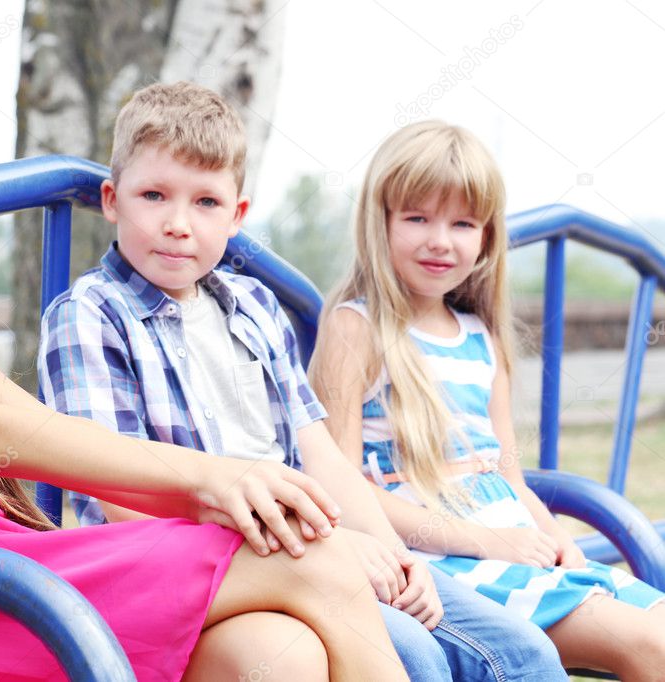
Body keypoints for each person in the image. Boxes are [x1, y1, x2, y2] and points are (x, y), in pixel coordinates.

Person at [0, 66, 408, 682]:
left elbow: (43, 428)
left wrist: (209, 496)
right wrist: (213, 475)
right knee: (316, 560)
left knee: (270, 652)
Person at [38, 82, 568, 681]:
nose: (178, 224)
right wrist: (329, 546)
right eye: (154, 195)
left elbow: (322, 456)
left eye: (207, 202)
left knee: (524, 654)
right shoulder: (90, 315)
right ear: (112, 200)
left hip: (314, 548)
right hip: (188, 570)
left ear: (238, 215)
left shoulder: (256, 307)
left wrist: (395, 555)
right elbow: (117, 498)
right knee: (412, 654)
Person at [308, 119, 665, 678]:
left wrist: (556, 538)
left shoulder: (482, 337)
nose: (439, 240)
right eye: (417, 217)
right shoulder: (358, 330)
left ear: (486, 237)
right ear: (380, 224)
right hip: (445, 564)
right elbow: (342, 486)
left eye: (462, 222)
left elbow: (510, 477)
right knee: (649, 643)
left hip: (513, 548)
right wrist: (487, 542)